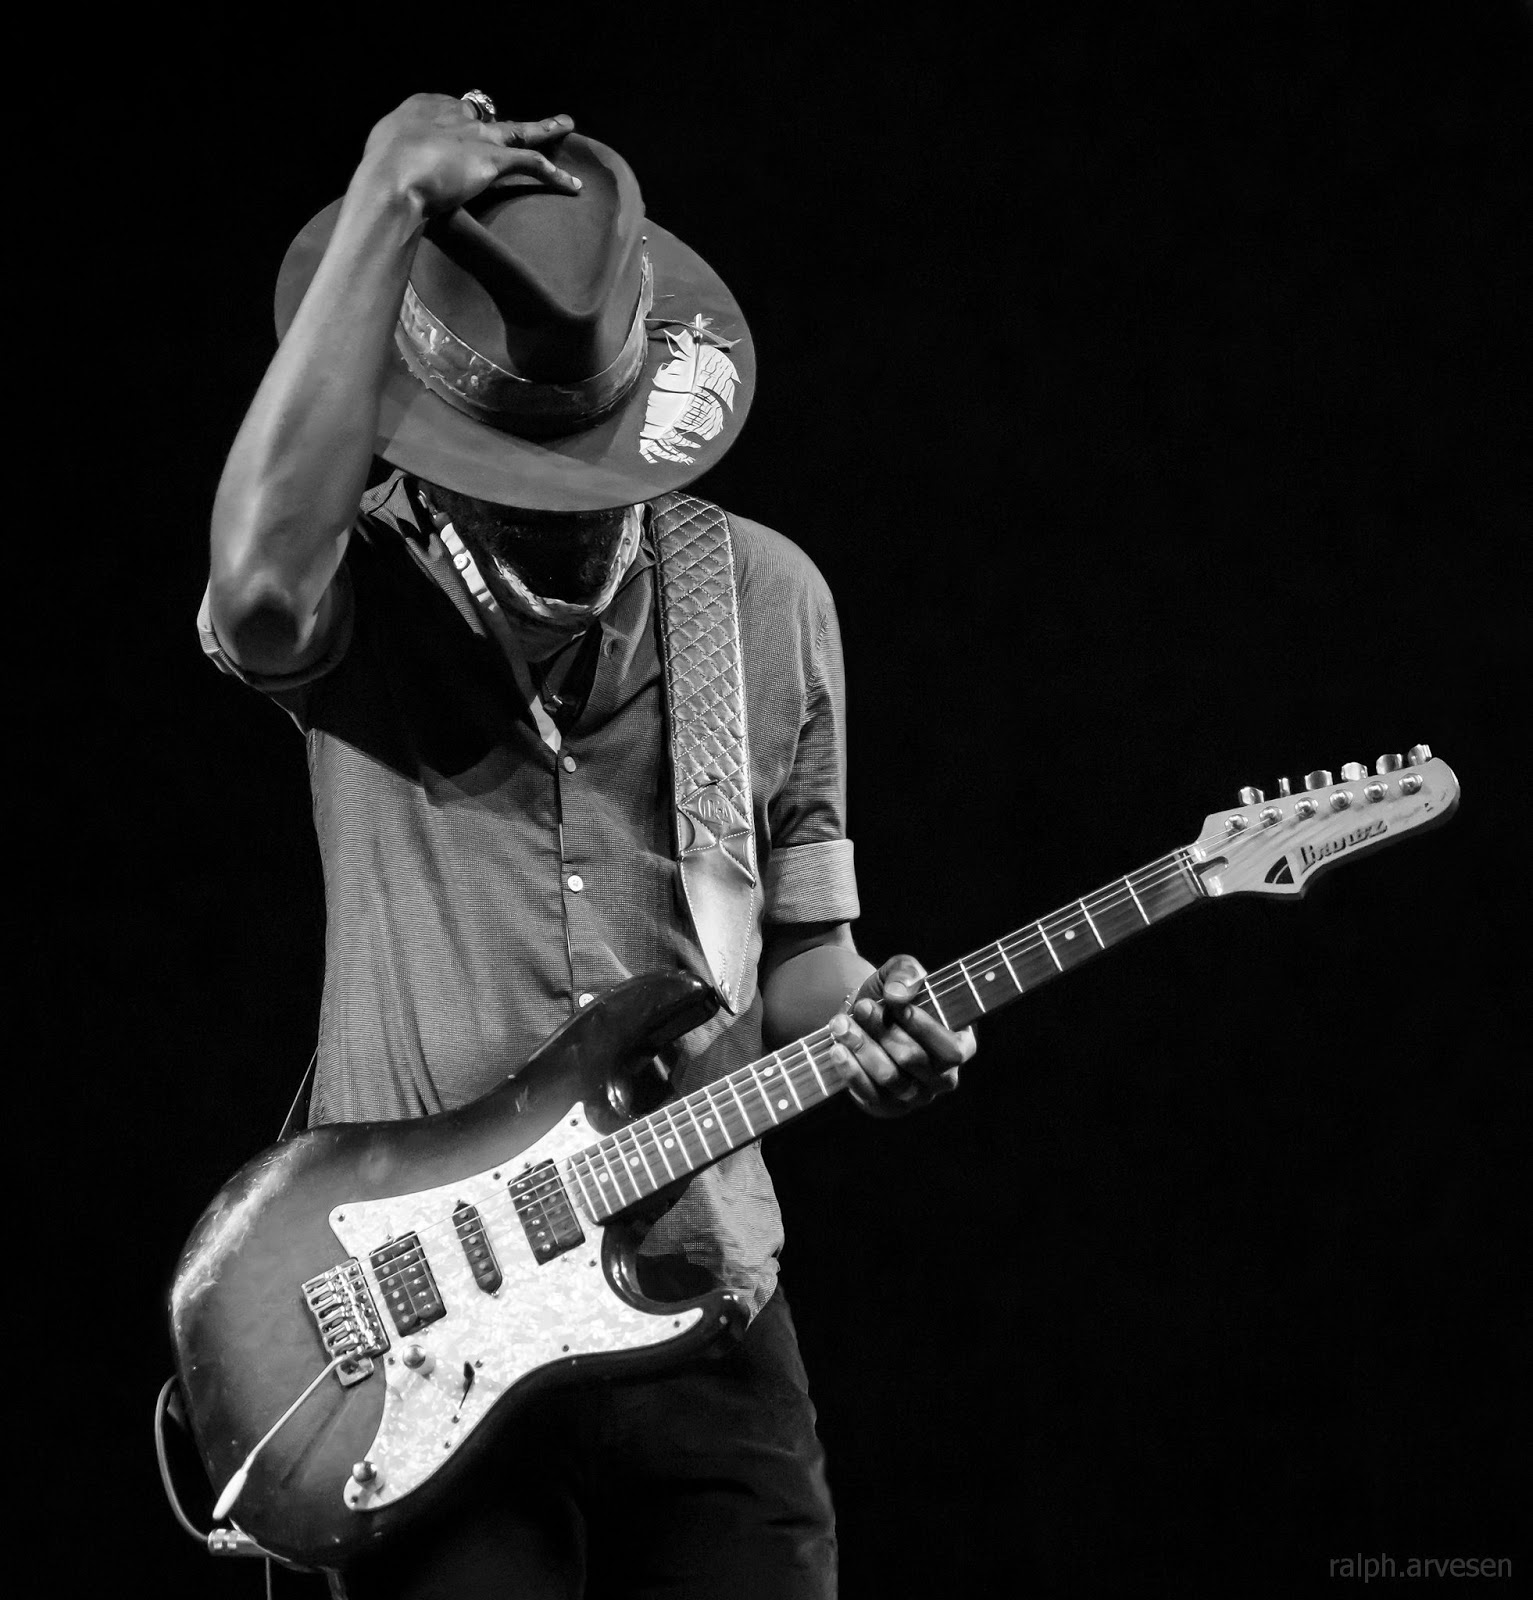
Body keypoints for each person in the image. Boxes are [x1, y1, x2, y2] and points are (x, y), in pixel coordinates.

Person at [201, 91, 977, 1600]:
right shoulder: (362, 586)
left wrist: (881, 1028)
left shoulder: (763, 599)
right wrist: (384, 195)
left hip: (700, 1299)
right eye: (512, 480)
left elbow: (800, 970)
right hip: (421, 1334)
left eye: (579, 476)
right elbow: (252, 598)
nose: (554, 521)